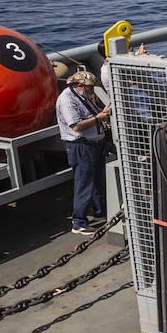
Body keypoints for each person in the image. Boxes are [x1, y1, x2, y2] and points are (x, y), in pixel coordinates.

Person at [55, 70, 112, 235]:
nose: (92, 91)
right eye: (90, 88)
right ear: (79, 86)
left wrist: (102, 113)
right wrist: (98, 118)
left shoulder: (81, 96)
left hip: (93, 145)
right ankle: (79, 222)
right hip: (81, 146)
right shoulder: (67, 100)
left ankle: (100, 212)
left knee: (97, 180)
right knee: (84, 183)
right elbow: (76, 126)